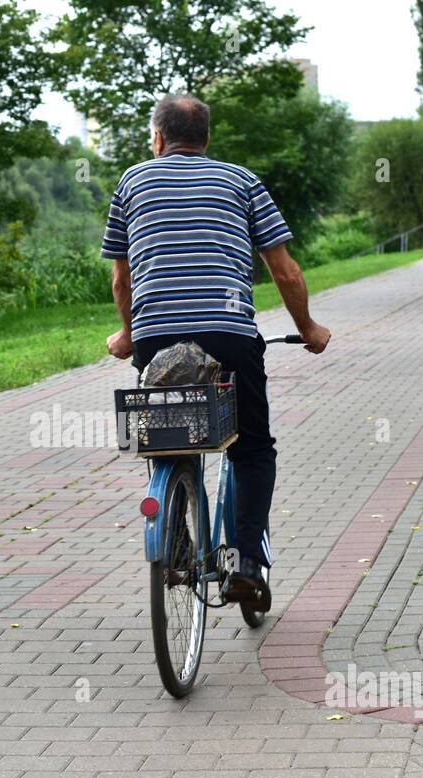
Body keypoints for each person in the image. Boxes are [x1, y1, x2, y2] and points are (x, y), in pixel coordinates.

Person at [103, 93, 330, 609]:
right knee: (251, 447)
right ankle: (248, 562)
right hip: (229, 335)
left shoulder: (132, 182)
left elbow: (123, 278)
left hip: (158, 339)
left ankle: (179, 544)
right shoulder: (241, 180)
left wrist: (130, 333)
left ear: (158, 138)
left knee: (166, 440)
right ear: (206, 140)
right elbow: (285, 271)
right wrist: (309, 327)